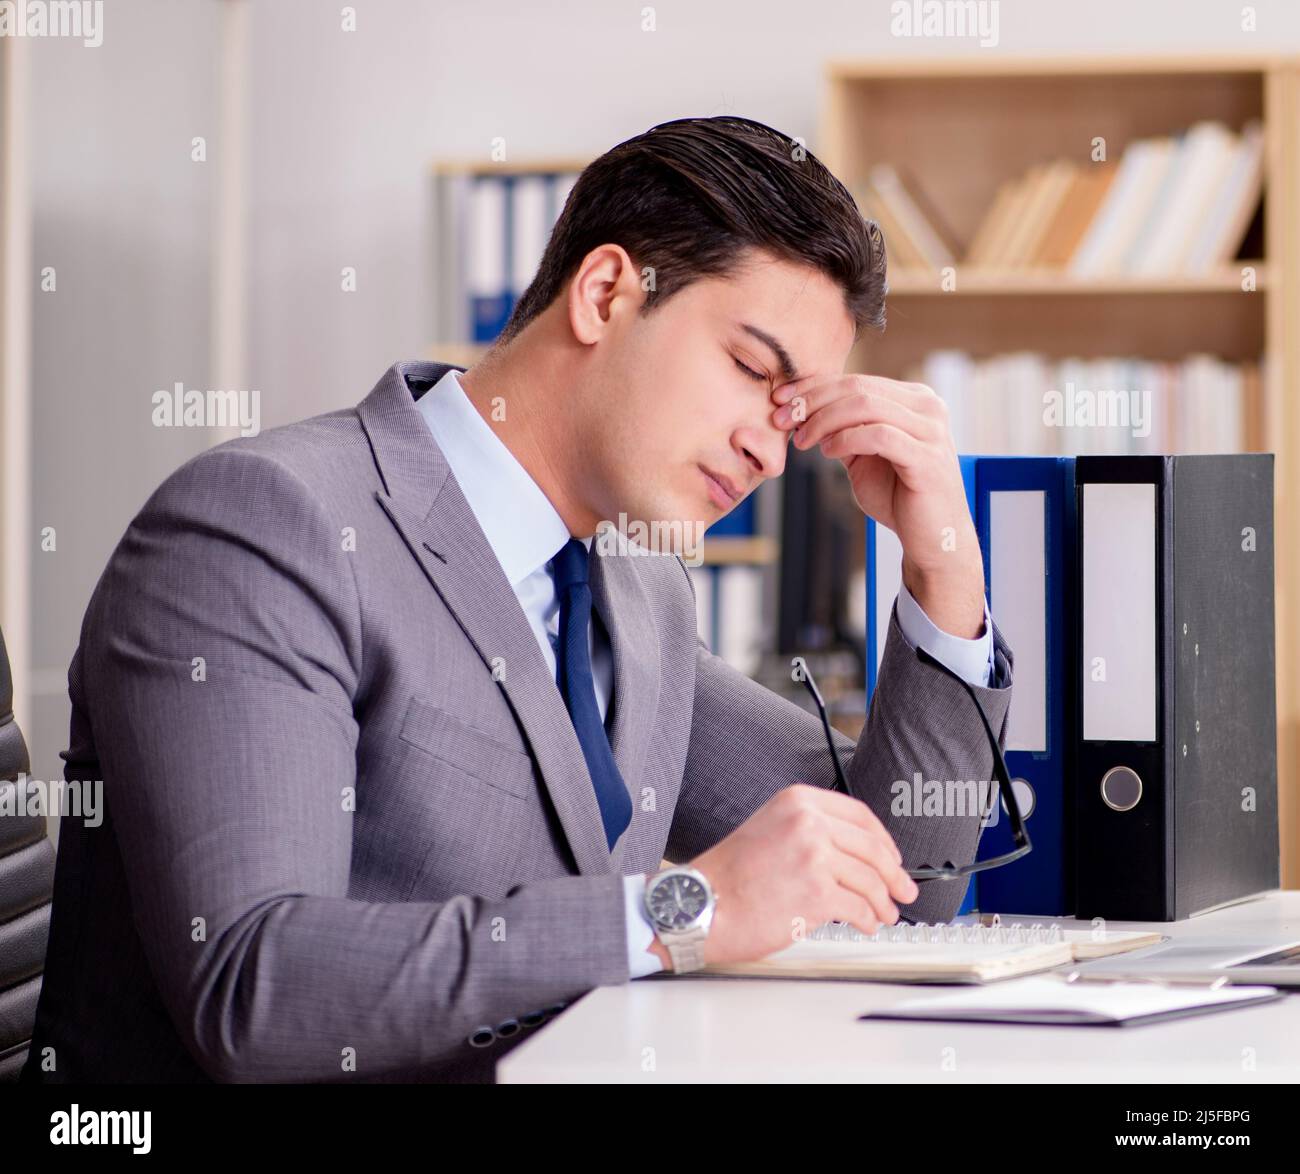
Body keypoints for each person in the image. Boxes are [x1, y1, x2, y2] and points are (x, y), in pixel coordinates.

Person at [23, 115, 1012, 1084]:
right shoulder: (267, 523)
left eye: (793, 408)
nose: (769, 445)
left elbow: (889, 884)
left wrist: (944, 570)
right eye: (751, 369)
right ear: (605, 293)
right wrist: (683, 910)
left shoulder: (638, 584)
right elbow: (255, 985)